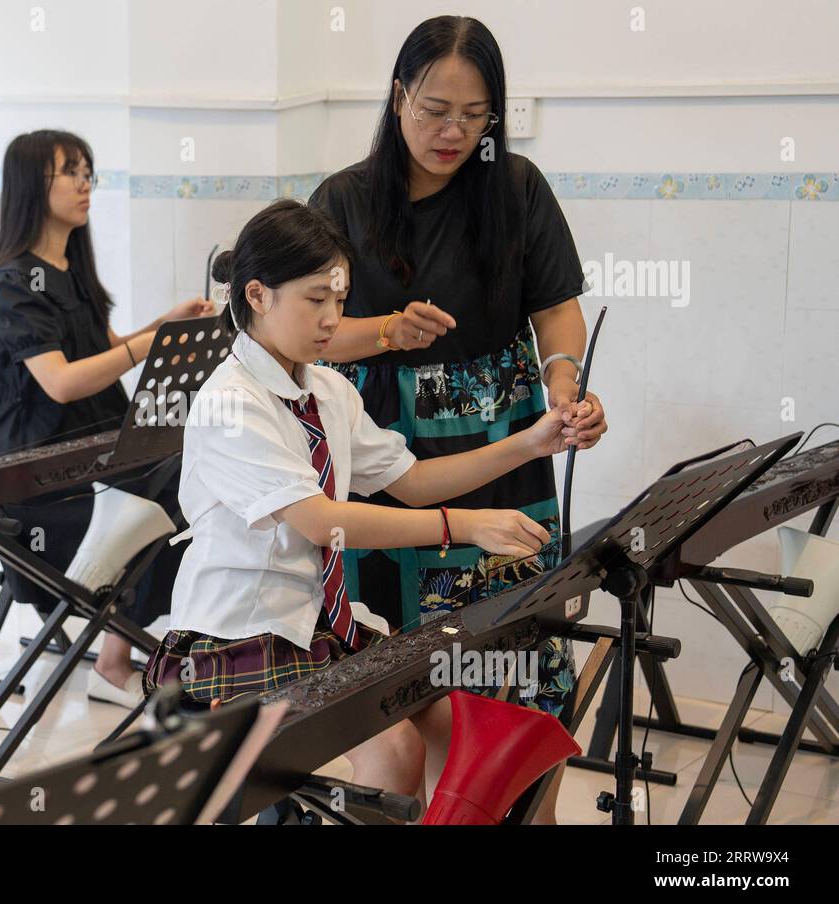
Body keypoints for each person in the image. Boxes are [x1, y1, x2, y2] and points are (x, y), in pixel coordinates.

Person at [143, 199, 570, 806]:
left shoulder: (327, 389)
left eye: (340, 301)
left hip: (321, 624)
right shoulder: (229, 403)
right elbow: (320, 520)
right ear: (258, 296)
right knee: (395, 749)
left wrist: (527, 444)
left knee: (464, 729)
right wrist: (464, 526)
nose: (332, 318)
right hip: (238, 632)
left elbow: (412, 479)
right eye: (316, 299)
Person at [309, 15, 609, 820]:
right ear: (398, 95)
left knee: (511, 671)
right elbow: (307, 332)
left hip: (509, 445)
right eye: (436, 109)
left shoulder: (515, 188)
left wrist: (565, 384)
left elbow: (557, 309)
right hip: (390, 460)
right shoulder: (343, 200)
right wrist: (386, 333)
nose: (453, 132)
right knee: (411, 679)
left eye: (475, 116)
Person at [0, 130, 213, 707]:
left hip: (86, 453)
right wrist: (149, 344)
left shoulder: (71, 270)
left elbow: (99, 351)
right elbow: (62, 380)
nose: (85, 184)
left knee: (188, 485)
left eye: (88, 172)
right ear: (32, 186)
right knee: (148, 505)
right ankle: (112, 654)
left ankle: (122, 648)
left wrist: (162, 326)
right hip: (29, 477)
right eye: (70, 173)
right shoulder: (11, 285)